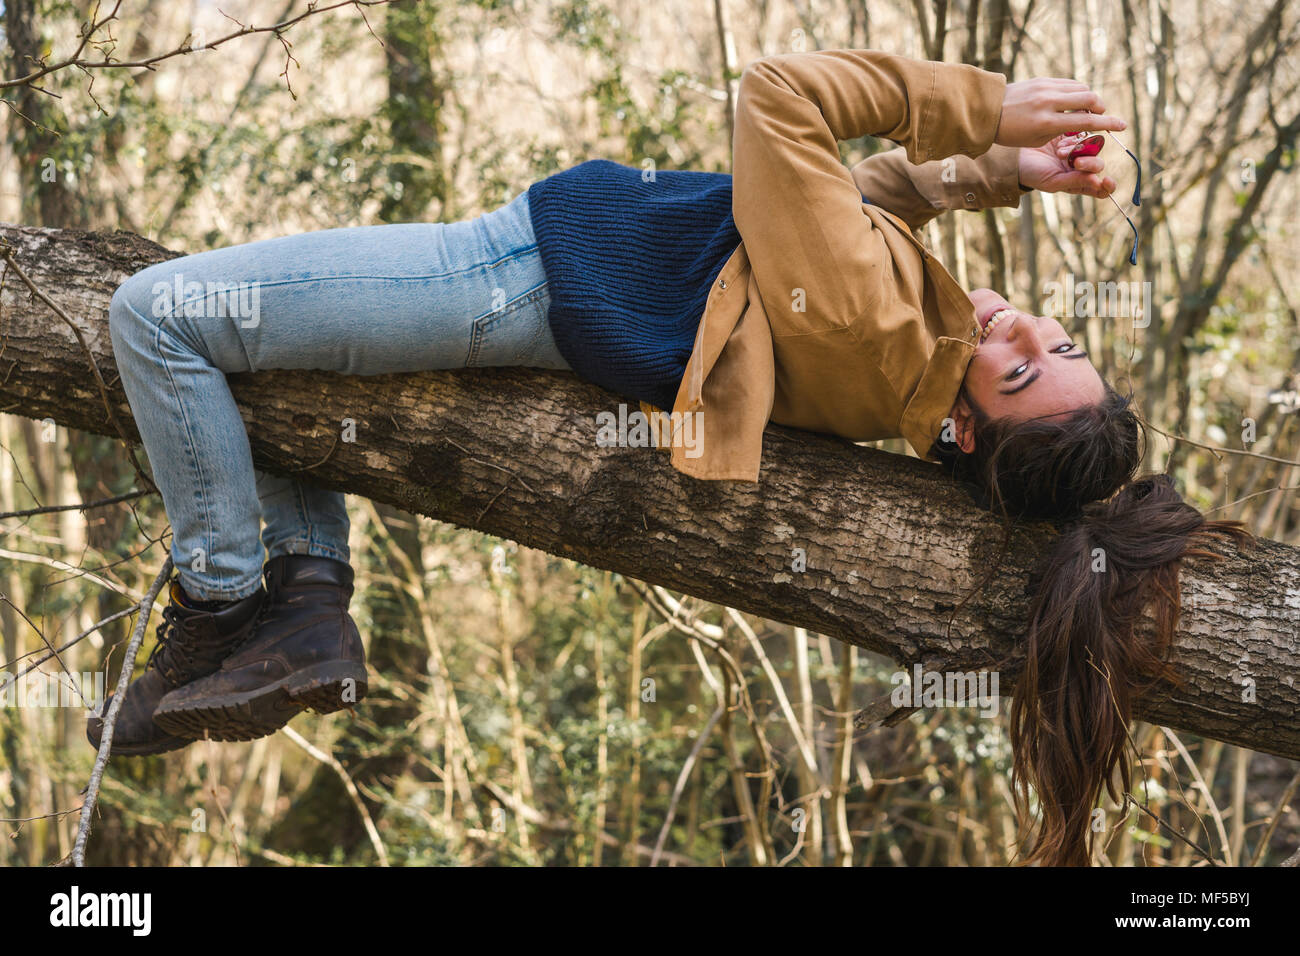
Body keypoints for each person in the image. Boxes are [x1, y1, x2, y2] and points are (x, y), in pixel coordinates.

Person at [90, 47, 1247, 866]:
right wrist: (996, 174)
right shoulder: (904, 345)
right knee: (263, 358)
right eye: (1059, 336)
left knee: (159, 313)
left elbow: (779, 96)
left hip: (508, 275)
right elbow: (844, 208)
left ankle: (220, 598)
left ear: (962, 429)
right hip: (521, 272)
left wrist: (979, 108)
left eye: (1021, 365)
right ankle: (305, 604)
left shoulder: (879, 327)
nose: (1027, 325)